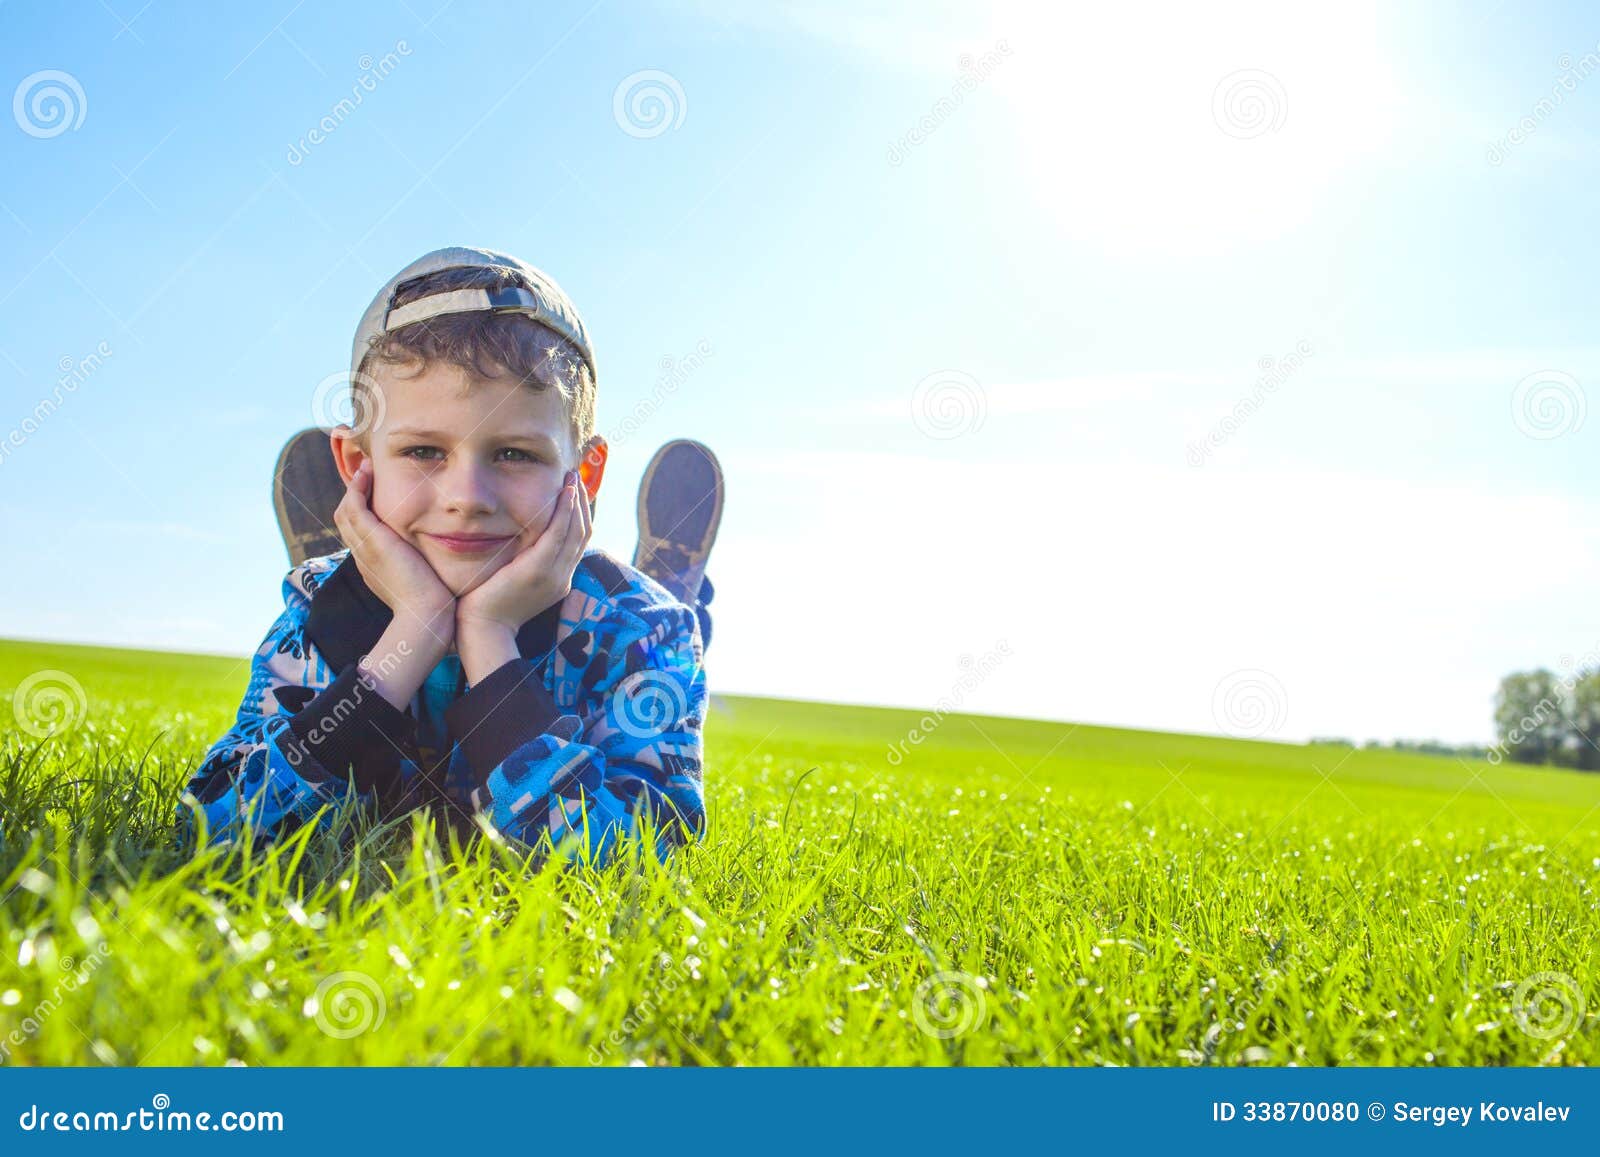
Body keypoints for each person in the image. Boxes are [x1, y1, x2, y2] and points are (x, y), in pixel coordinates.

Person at [176, 246, 721, 868]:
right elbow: (217, 832)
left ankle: (671, 576)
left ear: (583, 477)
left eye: (515, 454)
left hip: (621, 606)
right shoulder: (320, 609)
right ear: (358, 464)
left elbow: (641, 866)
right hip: (357, 600)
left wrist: (490, 642)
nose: (467, 499)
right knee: (340, 591)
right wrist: (409, 635)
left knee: (662, 611)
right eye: (423, 453)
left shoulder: (647, 629)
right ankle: (353, 542)